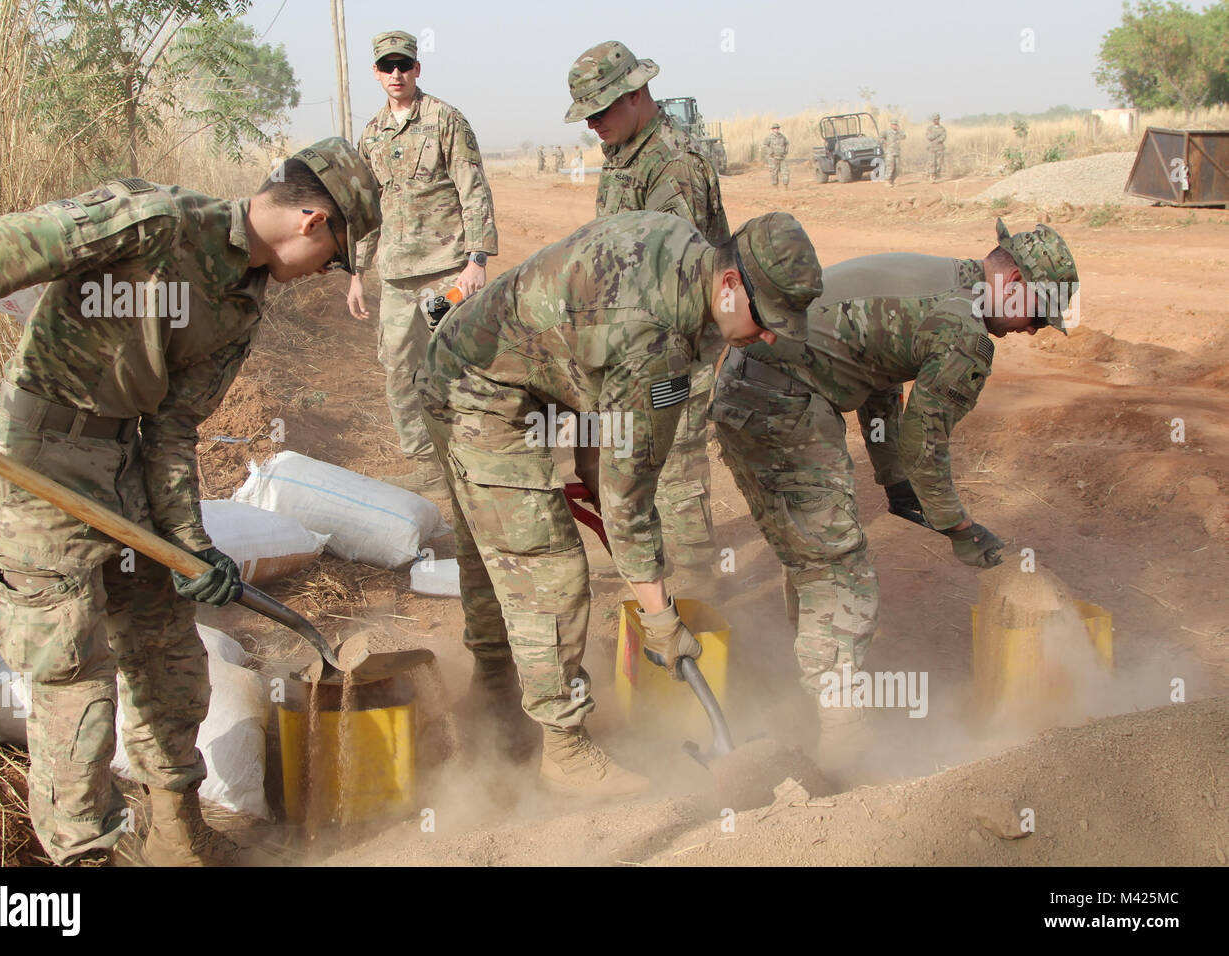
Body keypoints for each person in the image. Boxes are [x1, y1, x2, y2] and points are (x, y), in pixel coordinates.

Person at [0, 139, 381, 865]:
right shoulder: (155, 220)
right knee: (73, 676)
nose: (327, 274)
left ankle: (178, 830)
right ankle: (89, 857)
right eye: (335, 257)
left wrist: (188, 542)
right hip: (36, 458)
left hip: (128, 465)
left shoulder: (241, 304)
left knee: (168, 651)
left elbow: (173, 428)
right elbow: (7, 249)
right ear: (313, 220)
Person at [422, 211, 822, 797]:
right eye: (767, 322)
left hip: (499, 364)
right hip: (480, 390)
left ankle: (493, 690)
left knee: (495, 548)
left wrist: (587, 457)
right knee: (545, 567)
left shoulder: (681, 244)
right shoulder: (658, 349)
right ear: (732, 284)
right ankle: (562, 748)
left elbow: (586, 343)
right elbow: (628, 499)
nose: (767, 337)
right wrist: (662, 622)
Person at [707, 219, 1079, 773]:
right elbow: (926, 442)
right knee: (840, 571)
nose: (1032, 332)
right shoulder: (966, 336)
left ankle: (810, 697)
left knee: (811, 553)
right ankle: (844, 743)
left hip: (743, 384)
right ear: (1016, 283)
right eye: (1037, 316)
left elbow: (878, 370)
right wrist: (958, 530)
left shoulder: (942, 278)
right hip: (779, 402)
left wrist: (893, 481)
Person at [563, 40, 730, 593]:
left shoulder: (673, 164)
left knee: (676, 463)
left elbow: (669, 276)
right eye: (586, 114)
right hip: (631, 341)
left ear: (636, 94)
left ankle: (698, 591)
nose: (593, 125)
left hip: (672, 348)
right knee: (633, 459)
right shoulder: (625, 151)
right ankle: (660, 579)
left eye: (601, 110)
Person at [347, 29, 498, 498]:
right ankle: (430, 473)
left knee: (461, 369)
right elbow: (367, 210)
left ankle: (483, 466)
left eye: (404, 65)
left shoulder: (446, 120)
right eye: (387, 66)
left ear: (417, 69)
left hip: (447, 273)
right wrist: (356, 272)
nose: (396, 74)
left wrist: (476, 260)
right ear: (375, 72)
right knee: (399, 370)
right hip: (395, 279)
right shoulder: (371, 134)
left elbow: (474, 190)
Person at [762, 123, 790, 187]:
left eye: (777, 128)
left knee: (785, 172)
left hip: (782, 157)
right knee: (774, 172)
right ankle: (775, 186)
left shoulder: (782, 137)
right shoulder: (769, 137)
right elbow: (765, 145)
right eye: (774, 128)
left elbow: (787, 144)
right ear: (772, 129)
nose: (776, 129)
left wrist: (785, 151)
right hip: (773, 158)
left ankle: (786, 185)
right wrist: (770, 152)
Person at [926, 113, 947, 183]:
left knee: (939, 163)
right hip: (931, 148)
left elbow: (943, 137)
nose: (936, 120)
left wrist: (937, 139)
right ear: (932, 120)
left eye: (937, 119)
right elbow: (929, 137)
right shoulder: (929, 128)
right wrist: (937, 134)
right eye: (934, 119)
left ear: (939, 119)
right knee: (932, 162)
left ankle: (936, 174)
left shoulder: (942, 128)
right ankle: (932, 176)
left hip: (940, 148)